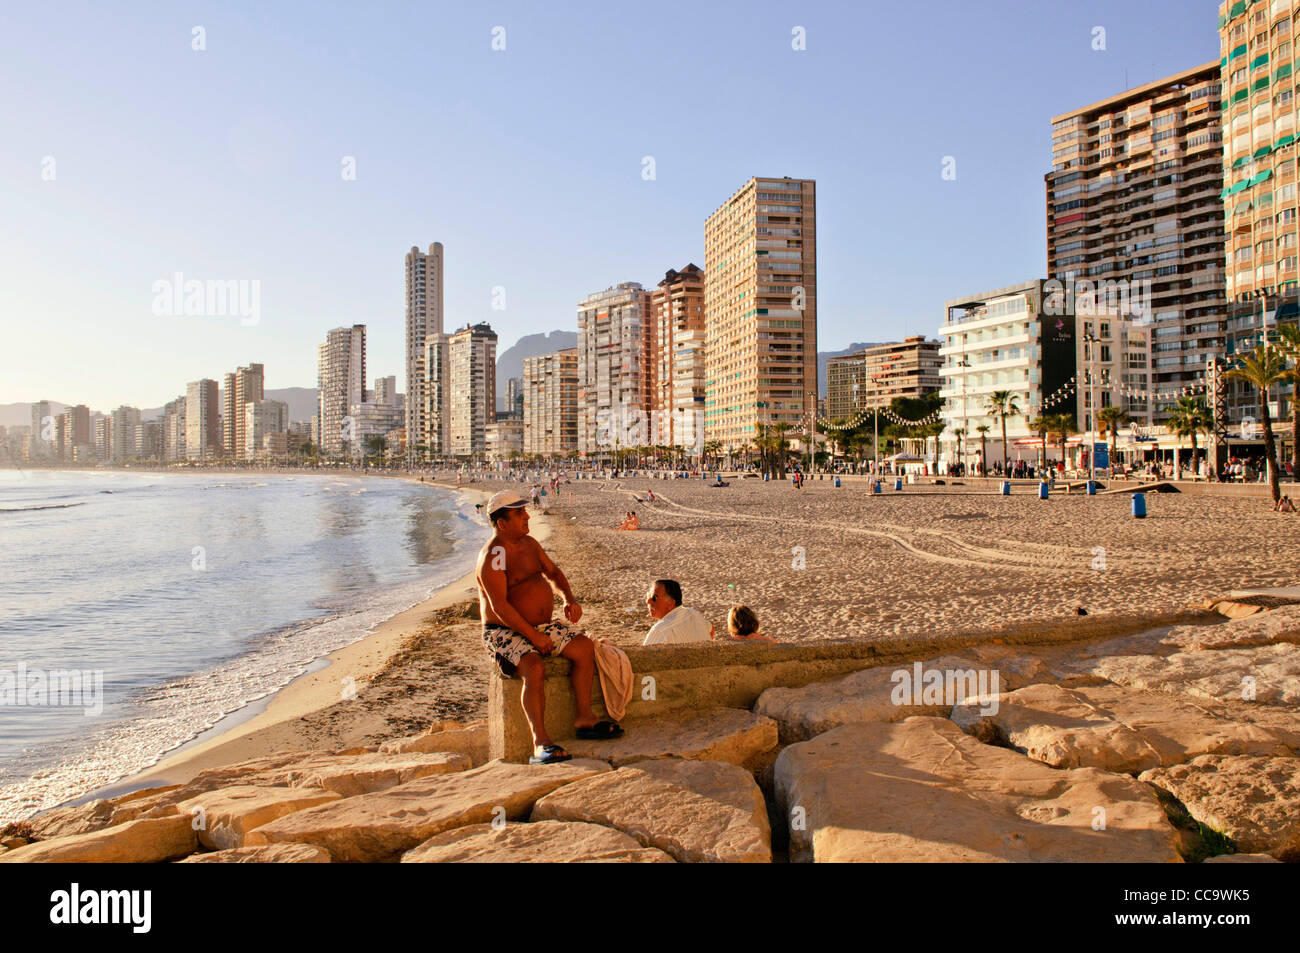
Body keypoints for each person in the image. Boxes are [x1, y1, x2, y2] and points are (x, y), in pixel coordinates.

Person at [476, 490, 622, 765]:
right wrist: (532, 636)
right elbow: (500, 607)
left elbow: (553, 573)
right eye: (519, 514)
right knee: (534, 666)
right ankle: (540, 743)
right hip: (502, 630)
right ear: (502, 523)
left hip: (539, 625)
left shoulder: (530, 544)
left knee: (584, 648)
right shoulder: (494, 555)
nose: (527, 516)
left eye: (524, 511)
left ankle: (585, 719)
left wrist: (569, 598)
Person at [643, 579, 714, 645]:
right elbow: (711, 629)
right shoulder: (694, 614)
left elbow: (645, 656)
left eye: (654, 598)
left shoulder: (660, 630)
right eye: (648, 596)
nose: (648, 601)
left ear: (671, 603)